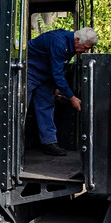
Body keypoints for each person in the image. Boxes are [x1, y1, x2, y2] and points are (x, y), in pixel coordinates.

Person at [27, 27, 97, 156]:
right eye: (85, 47)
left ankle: (49, 142)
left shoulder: (73, 45)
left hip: (46, 75)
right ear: (77, 40)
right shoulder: (59, 42)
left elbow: (61, 66)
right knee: (21, 106)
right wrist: (72, 97)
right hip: (30, 71)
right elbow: (58, 73)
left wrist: (58, 89)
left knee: (46, 106)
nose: (86, 51)